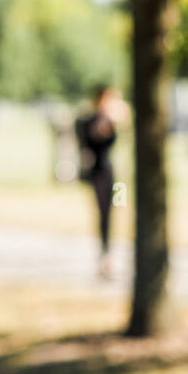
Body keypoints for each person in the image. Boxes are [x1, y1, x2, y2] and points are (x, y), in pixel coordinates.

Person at [75, 86, 126, 279]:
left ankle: (107, 254)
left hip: (109, 171)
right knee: (102, 213)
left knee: (111, 213)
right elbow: (90, 139)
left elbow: (112, 139)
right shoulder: (87, 121)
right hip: (96, 173)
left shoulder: (111, 121)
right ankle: (103, 255)